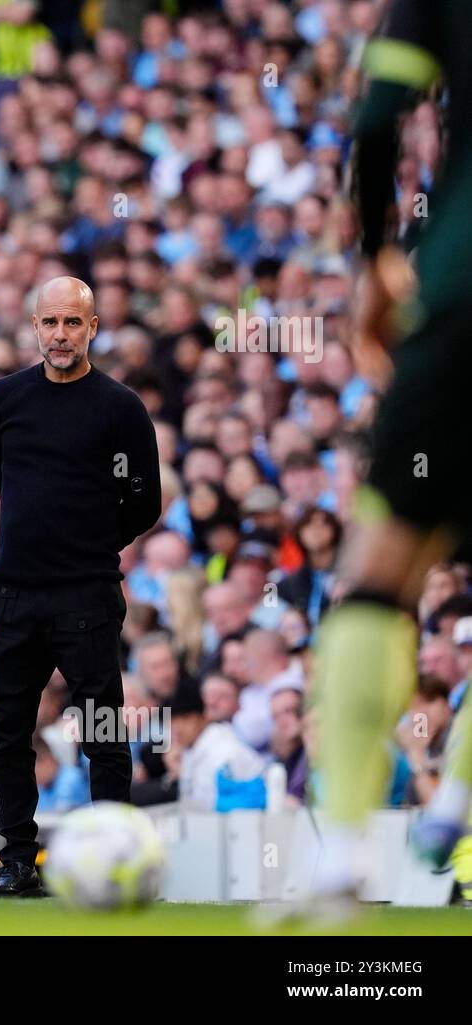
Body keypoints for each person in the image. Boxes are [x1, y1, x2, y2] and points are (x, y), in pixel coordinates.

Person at [314, 0, 472, 901]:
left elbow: (377, 121)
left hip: (458, 294)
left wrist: (375, 256)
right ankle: (455, 796)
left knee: (381, 570)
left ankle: (341, 851)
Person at [0, 277, 161, 898]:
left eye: (73, 324)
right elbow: (10, 481)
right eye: (51, 323)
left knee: (102, 733)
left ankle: (116, 859)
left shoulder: (120, 407)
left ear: (93, 329)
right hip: (14, 594)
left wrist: (87, 544)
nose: (60, 335)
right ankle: (19, 863)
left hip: (85, 593)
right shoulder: (4, 399)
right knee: (8, 734)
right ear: (34, 326)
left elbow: (145, 501)